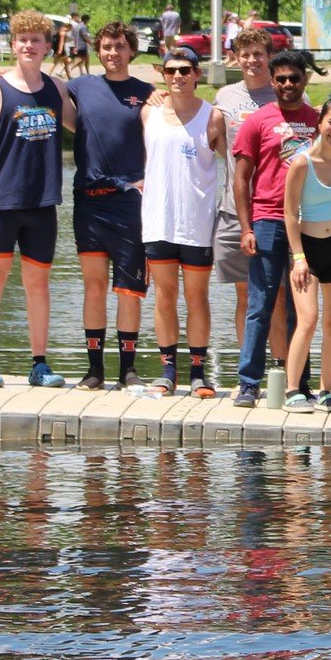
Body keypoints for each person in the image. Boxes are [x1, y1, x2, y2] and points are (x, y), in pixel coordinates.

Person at [0, 10, 66, 389]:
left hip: (42, 203)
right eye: (22, 39)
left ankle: (39, 363)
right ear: (13, 45)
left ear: (46, 46)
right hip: (0, 203)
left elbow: (82, 119)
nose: (29, 45)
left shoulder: (55, 89)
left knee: (38, 284)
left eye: (36, 40)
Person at [65, 20, 154, 389]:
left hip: (129, 203)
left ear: (131, 50)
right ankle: (94, 369)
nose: (113, 54)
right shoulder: (80, 86)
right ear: (97, 50)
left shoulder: (147, 92)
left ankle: (128, 369)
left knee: (129, 288)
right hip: (89, 201)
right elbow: (37, 88)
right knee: (93, 286)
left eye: (119, 47)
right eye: (106, 47)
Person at [232, 52, 320, 407]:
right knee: (261, 303)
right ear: (272, 82)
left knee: (302, 306)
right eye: (281, 79)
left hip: (307, 220)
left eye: (294, 78)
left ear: (304, 81)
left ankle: (300, 382)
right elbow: (241, 178)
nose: (287, 85)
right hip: (267, 218)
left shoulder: (317, 121)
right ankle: (248, 382)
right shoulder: (257, 121)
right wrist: (246, 227)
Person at [141, 46, 225, 398]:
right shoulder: (149, 112)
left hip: (197, 221)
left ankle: (198, 372)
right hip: (159, 220)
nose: (178, 76)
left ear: (197, 74)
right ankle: (167, 371)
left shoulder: (213, 117)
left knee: (197, 297)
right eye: (171, 70)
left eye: (185, 70)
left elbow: (235, 167)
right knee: (164, 295)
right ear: (163, 74)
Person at [283, 97, 331, 413]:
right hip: (308, 249)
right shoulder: (301, 163)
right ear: (320, 122)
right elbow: (289, 214)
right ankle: (292, 390)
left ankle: (326, 390)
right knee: (308, 319)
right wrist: (298, 258)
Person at [213, 27, 278, 349]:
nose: (252, 61)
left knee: (277, 294)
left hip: (277, 209)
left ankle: (283, 370)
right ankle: (247, 368)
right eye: (246, 55)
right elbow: (214, 143)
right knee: (245, 294)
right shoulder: (225, 97)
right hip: (234, 208)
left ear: (269, 58)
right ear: (236, 58)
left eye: (258, 55)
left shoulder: (285, 93)